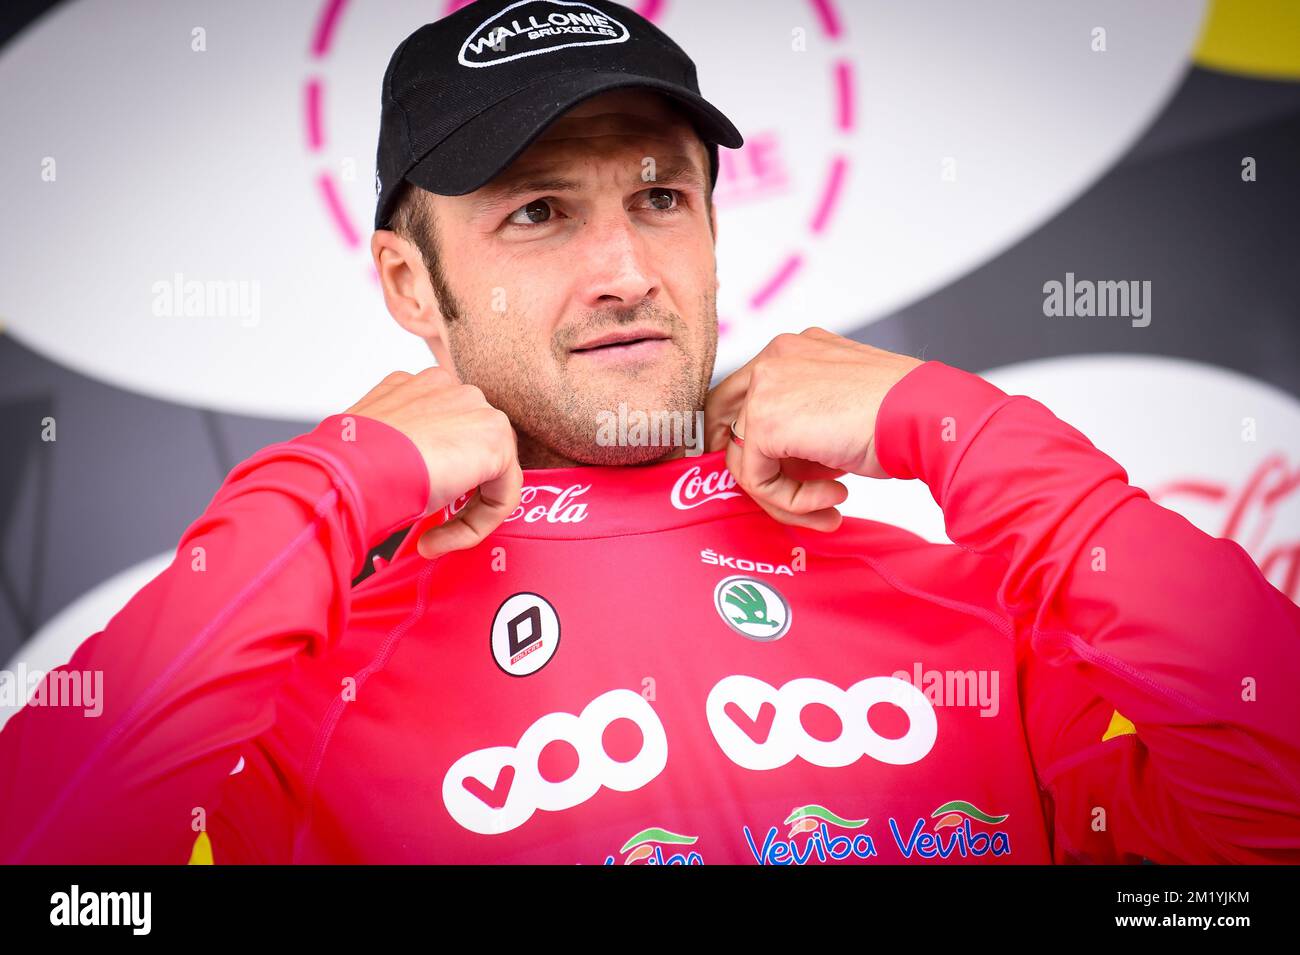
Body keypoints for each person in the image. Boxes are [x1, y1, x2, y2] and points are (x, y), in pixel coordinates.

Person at [2, 0, 1298, 865]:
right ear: (411, 287)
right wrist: (330, 481)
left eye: (661, 196)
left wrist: (960, 427)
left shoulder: (975, 606)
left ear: (716, 229)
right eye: (538, 213)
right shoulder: (296, 687)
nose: (625, 268)